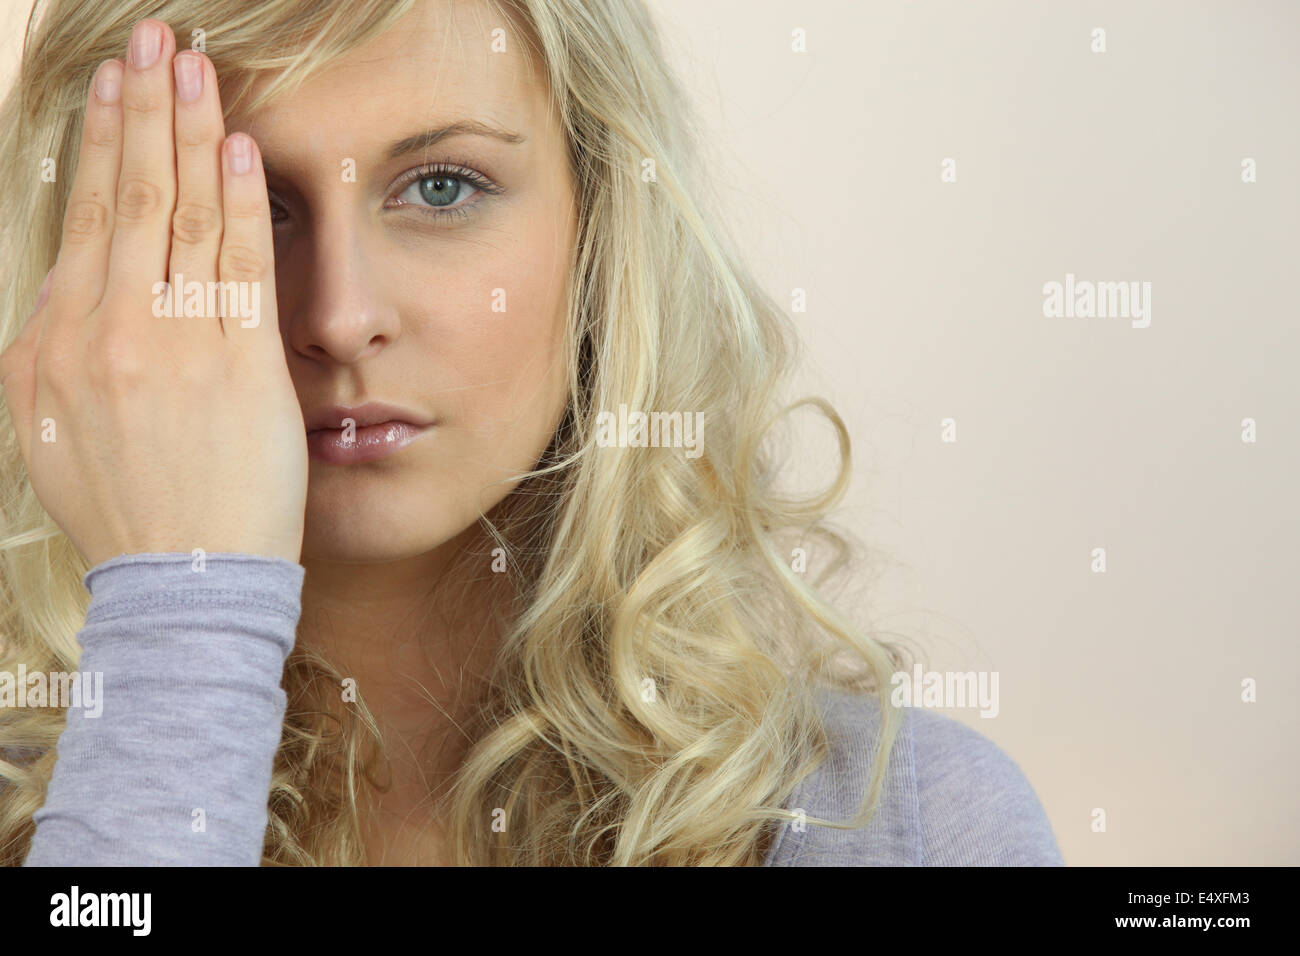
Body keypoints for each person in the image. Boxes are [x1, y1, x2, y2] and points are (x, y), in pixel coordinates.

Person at [0, 0, 1062, 866]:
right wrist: (179, 623)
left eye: (442, 186)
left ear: (599, 230)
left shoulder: (910, 826)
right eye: (256, 206)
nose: (337, 315)